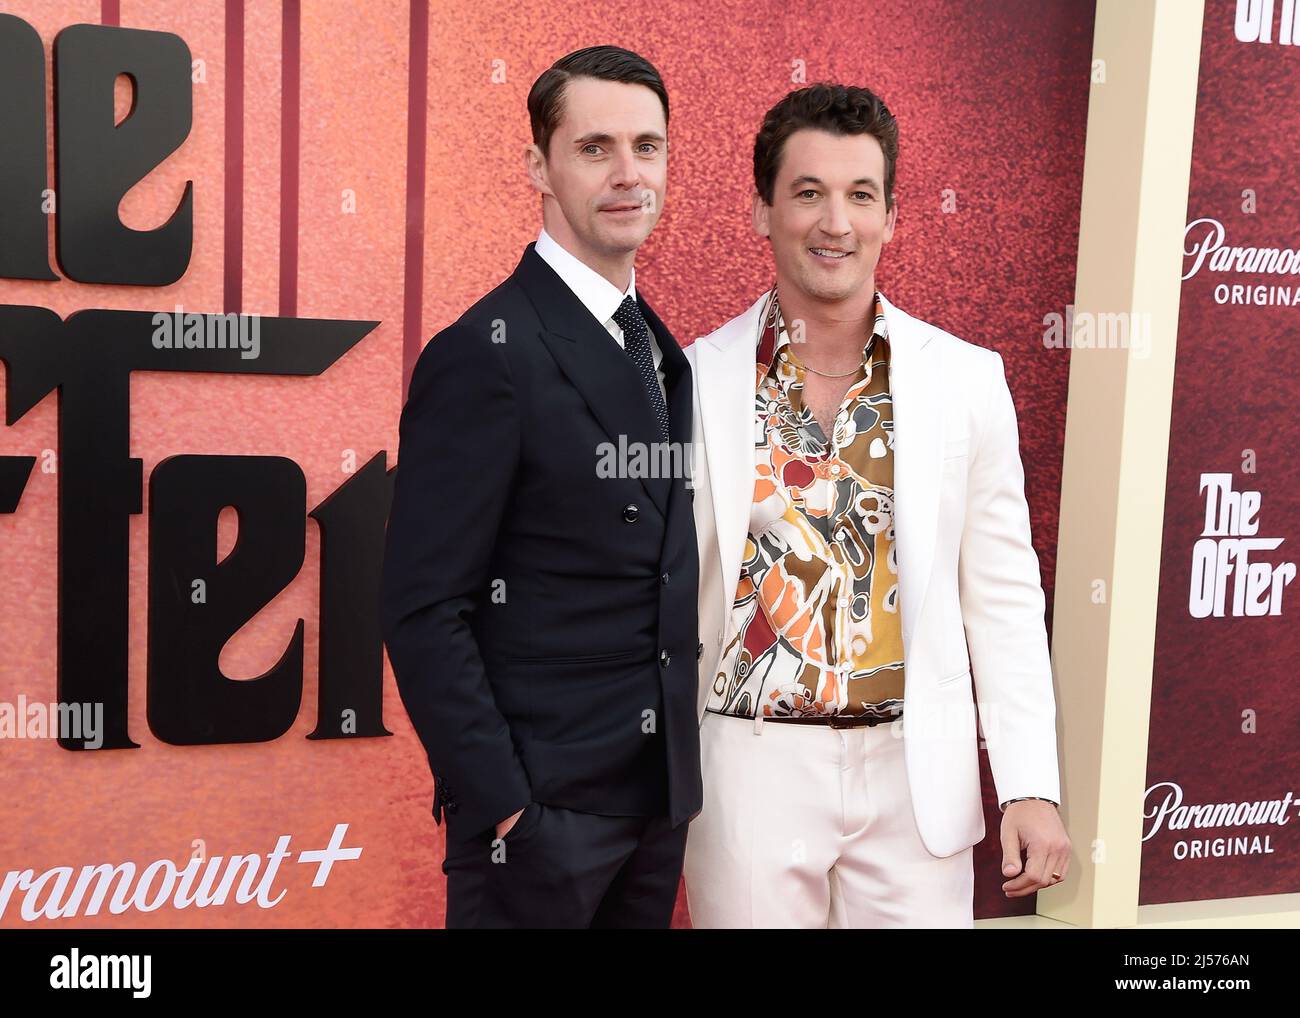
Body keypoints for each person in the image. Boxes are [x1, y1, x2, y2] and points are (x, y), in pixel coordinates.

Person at [683, 83, 1070, 928]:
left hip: (914, 770)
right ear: (761, 211)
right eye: (809, 193)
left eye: (861, 195)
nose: (837, 222)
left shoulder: (966, 380)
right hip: (747, 765)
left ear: (893, 216)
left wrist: (1031, 785)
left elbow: (1002, 597)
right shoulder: (695, 378)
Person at [380, 45, 700, 928]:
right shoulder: (485, 352)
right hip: (538, 827)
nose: (628, 173)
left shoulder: (661, 350)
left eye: (649, 146)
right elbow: (420, 607)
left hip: (653, 807)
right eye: (595, 147)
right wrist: (507, 807)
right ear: (539, 167)